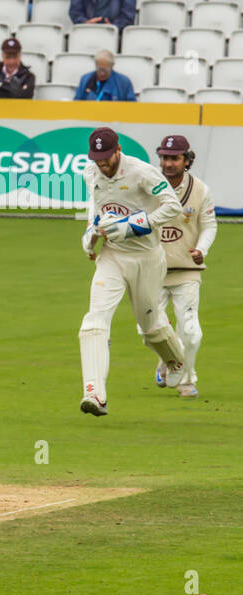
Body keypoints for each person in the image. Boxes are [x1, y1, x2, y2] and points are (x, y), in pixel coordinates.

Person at [78, 127, 186, 416]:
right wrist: (91, 233)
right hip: (113, 256)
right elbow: (97, 208)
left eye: (106, 158)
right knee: (93, 322)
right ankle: (95, 394)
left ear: (118, 150)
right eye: (97, 158)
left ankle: (175, 360)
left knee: (150, 328)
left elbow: (173, 207)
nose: (102, 164)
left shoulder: (142, 172)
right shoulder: (91, 173)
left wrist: (132, 226)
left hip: (147, 258)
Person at [152, 135, 216, 400]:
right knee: (151, 329)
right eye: (165, 158)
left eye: (174, 158)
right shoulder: (148, 186)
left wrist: (202, 249)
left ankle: (187, 379)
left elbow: (209, 225)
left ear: (186, 160)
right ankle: (167, 361)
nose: (168, 163)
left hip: (186, 269)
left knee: (189, 329)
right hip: (151, 271)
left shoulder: (201, 190)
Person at [69, 0, 137, 30]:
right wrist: (85, 22)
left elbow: (128, 15)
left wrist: (114, 27)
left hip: (116, 34)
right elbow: (75, 12)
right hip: (86, 31)